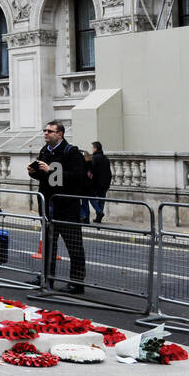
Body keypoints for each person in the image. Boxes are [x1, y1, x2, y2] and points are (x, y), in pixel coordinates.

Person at [28, 119, 88, 294]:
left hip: (67, 208)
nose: (46, 133)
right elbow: (45, 178)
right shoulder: (44, 151)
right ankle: (47, 278)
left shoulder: (72, 153)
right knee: (48, 245)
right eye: (45, 131)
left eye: (50, 131)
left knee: (74, 246)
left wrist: (51, 171)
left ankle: (77, 282)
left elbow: (79, 177)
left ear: (60, 134)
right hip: (48, 206)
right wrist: (34, 173)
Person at [88, 141, 112, 223]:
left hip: (97, 183)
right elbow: (109, 172)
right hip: (105, 183)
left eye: (92, 148)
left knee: (90, 197)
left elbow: (91, 171)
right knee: (102, 200)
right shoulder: (106, 158)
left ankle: (99, 212)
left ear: (95, 148)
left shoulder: (94, 158)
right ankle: (99, 218)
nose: (92, 149)